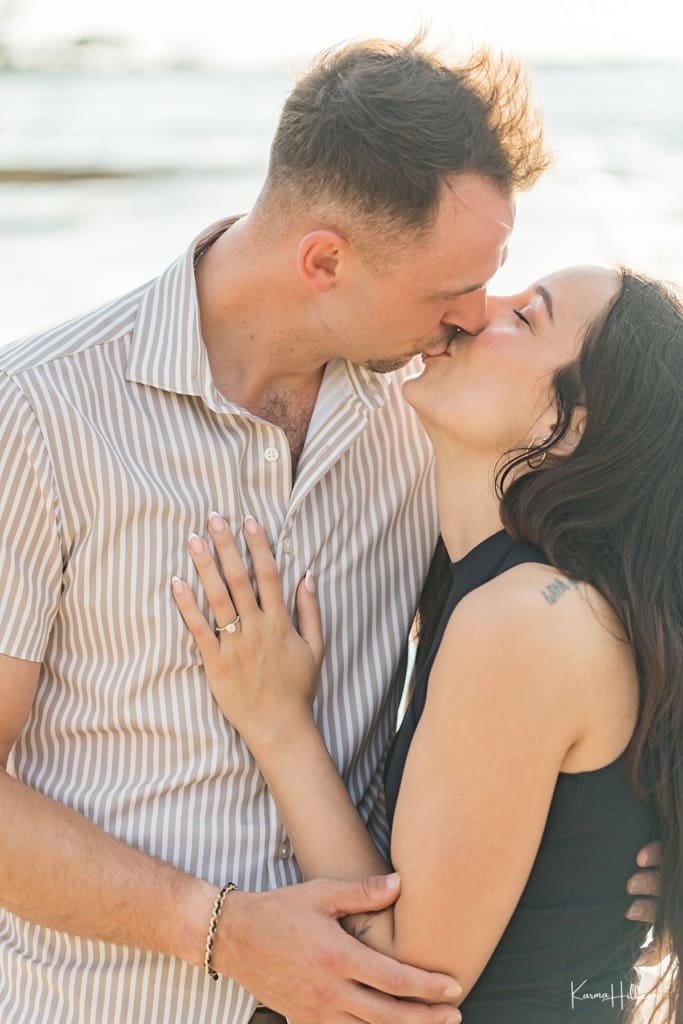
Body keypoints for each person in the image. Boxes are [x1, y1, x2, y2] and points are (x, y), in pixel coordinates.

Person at [0, 36, 659, 1024]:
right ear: (324, 260)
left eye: (499, 292)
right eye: (450, 292)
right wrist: (213, 927)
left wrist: (620, 849)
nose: (472, 317)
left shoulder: (430, 425)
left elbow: (594, 613)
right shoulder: (40, 416)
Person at [174, 264, 682, 1022]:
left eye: (525, 317)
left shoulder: (528, 619)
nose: (476, 311)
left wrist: (275, 720)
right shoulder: (527, 598)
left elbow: (395, 987)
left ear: (571, 425)